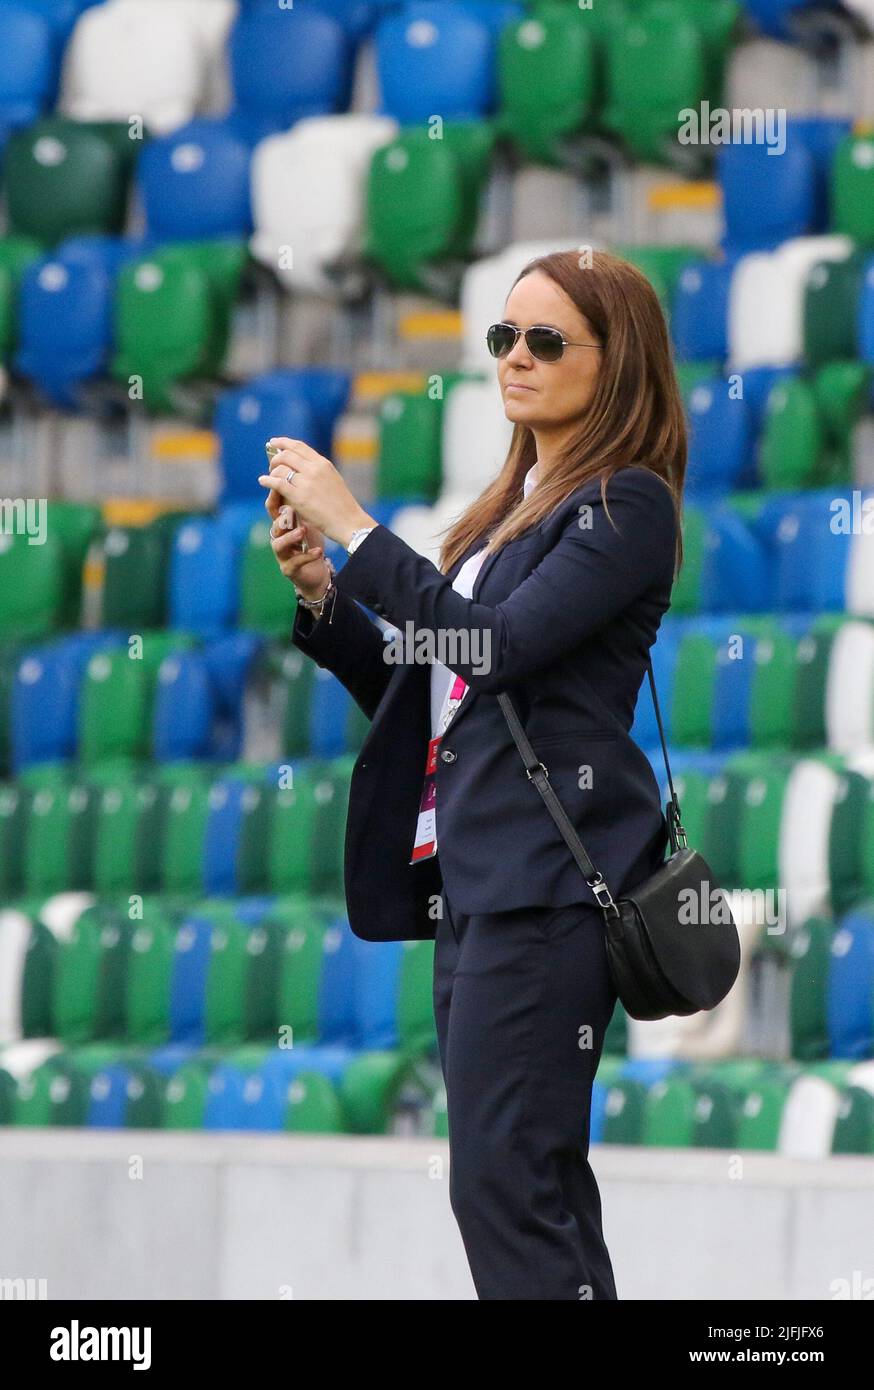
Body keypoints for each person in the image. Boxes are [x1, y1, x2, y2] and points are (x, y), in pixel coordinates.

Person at [259, 248, 686, 1301]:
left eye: (547, 341)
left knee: (505, 1185)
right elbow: (439, 699)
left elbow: (488, 649)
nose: (517, 358)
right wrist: (327, 599)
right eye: (504, 337)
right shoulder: (515, 505)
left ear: (615, 362)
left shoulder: (625, 506)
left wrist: (356, 527)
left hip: (545, 891)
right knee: (522, 1183)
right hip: (480, 890)